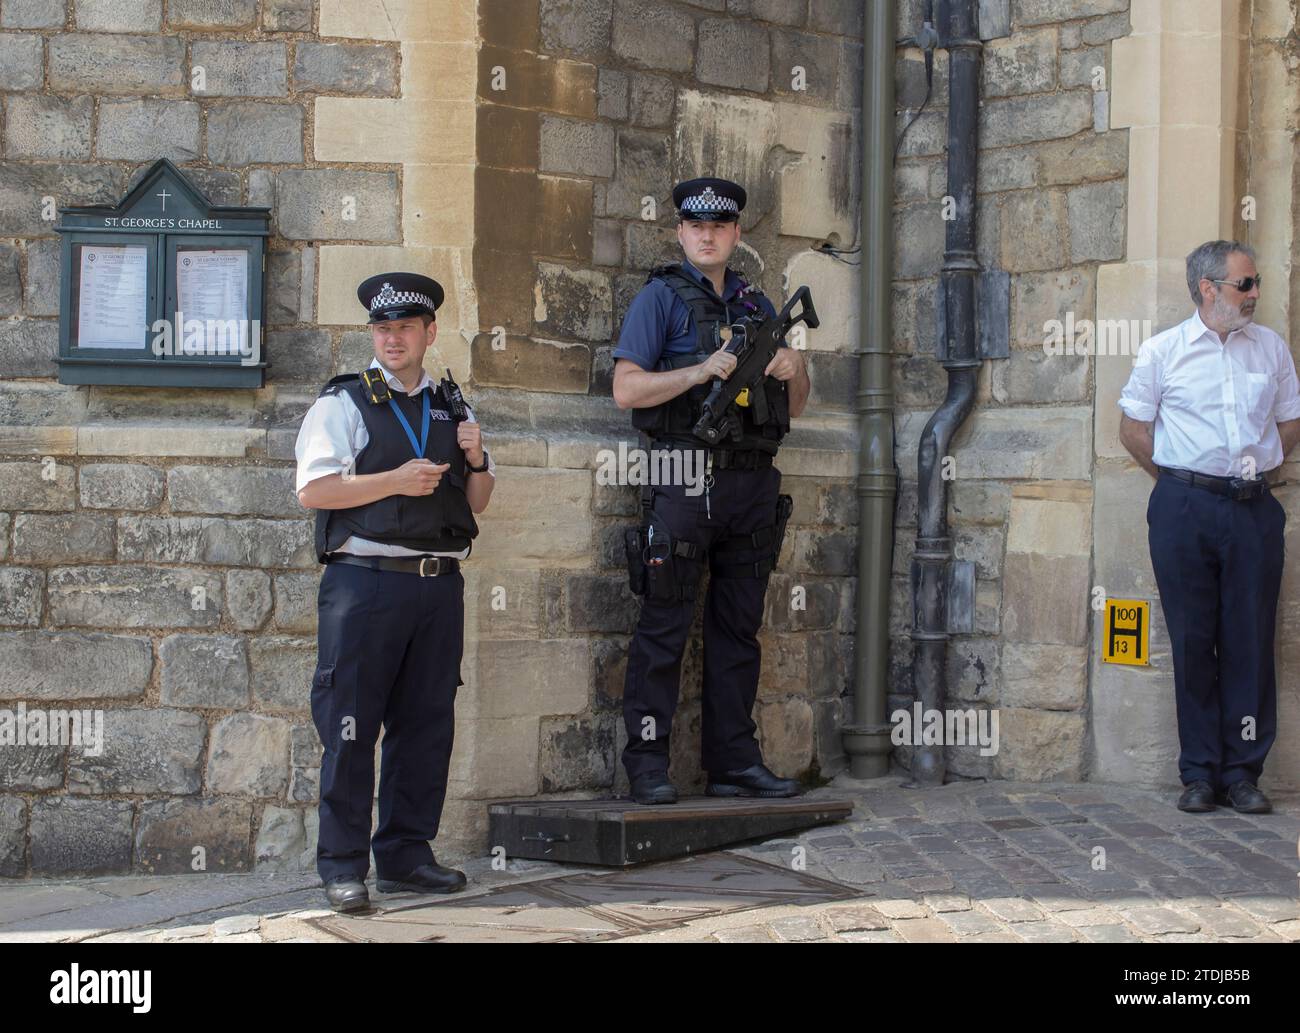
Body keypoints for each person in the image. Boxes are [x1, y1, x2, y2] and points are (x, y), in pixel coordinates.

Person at [294, 272, 496, 911]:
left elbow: (475, 504)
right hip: (366, 583)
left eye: (405, 328)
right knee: (350, 724)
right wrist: (393, 481)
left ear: (429, 333)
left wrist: (480, 457)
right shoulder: (343, 403)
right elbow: (315, 491)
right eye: (383, 328)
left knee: (426, 724)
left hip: (437, 587)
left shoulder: (453, 405)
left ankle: (407, 856)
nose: (392, 338)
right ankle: (342, 866)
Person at [612, 176, 812, 804]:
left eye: (719, 226)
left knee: (738, 629)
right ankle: (647, 765)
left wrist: (794, 367)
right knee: (664, 625)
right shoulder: (661, 299)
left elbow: (797, 408)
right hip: (681, 473)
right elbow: (626, 390)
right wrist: (699, 371)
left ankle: (733, 762)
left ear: (736, 234)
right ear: (680, 231)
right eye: (696, 226)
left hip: (750, 481)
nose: (707, 235)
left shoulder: (757, 305)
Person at [1118, 240, 1300, 815]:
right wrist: (1178, 481)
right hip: (1183, 510)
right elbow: (1132, 429)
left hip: (1252, 509)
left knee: (1249, 640)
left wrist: (1256, 472)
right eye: (1244, 284)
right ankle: (1198, 773)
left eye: (1256, 283)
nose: (1255, 295)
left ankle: (1243, 772)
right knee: (1193, 642)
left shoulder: (1270, 348)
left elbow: (1290, 421)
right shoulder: (1162, 351)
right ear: (1207, 289)